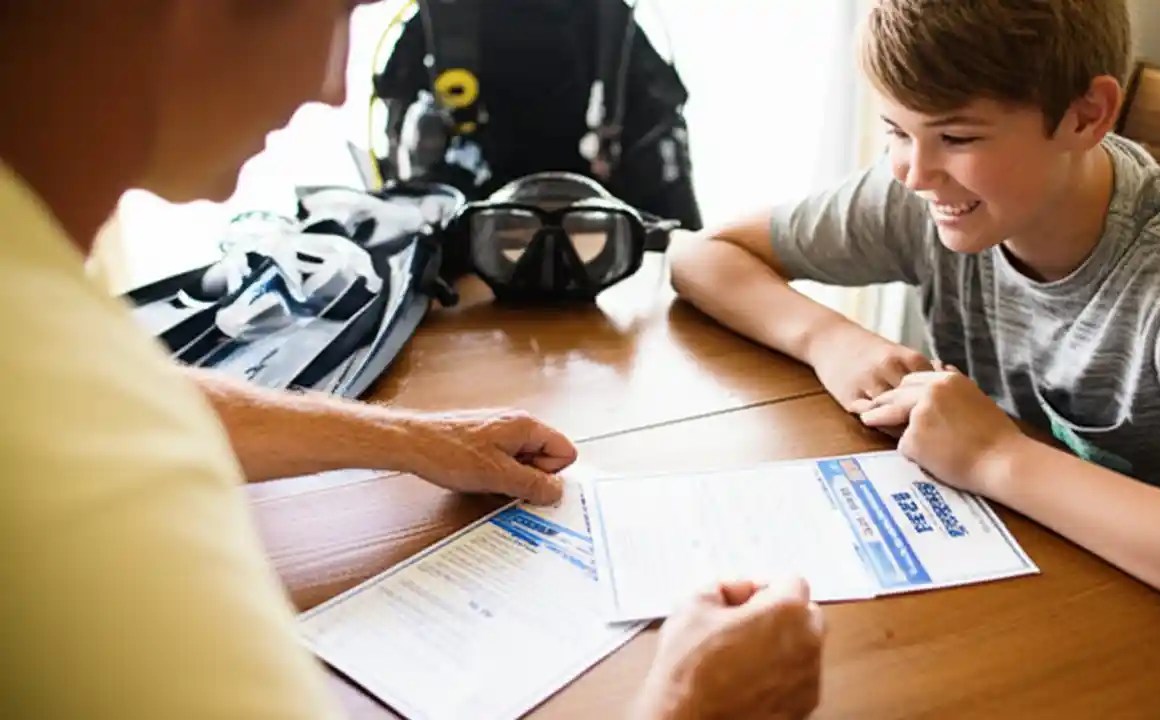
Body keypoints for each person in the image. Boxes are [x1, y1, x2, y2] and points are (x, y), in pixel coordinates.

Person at [0, 2, 824, 717]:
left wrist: (413, 439)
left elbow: (140, 394)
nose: (332, 87)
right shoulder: (88, 480)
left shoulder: (53, 331)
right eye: (339, 11)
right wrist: (690, 705)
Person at [671, 0, 1160, 639]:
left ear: (1086, 115)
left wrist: (997, 457)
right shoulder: (934, 195)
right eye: (895, 130)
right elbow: (701, 256)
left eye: (957, 138)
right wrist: (830, 340)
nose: (913, 173)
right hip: (1027, 581)